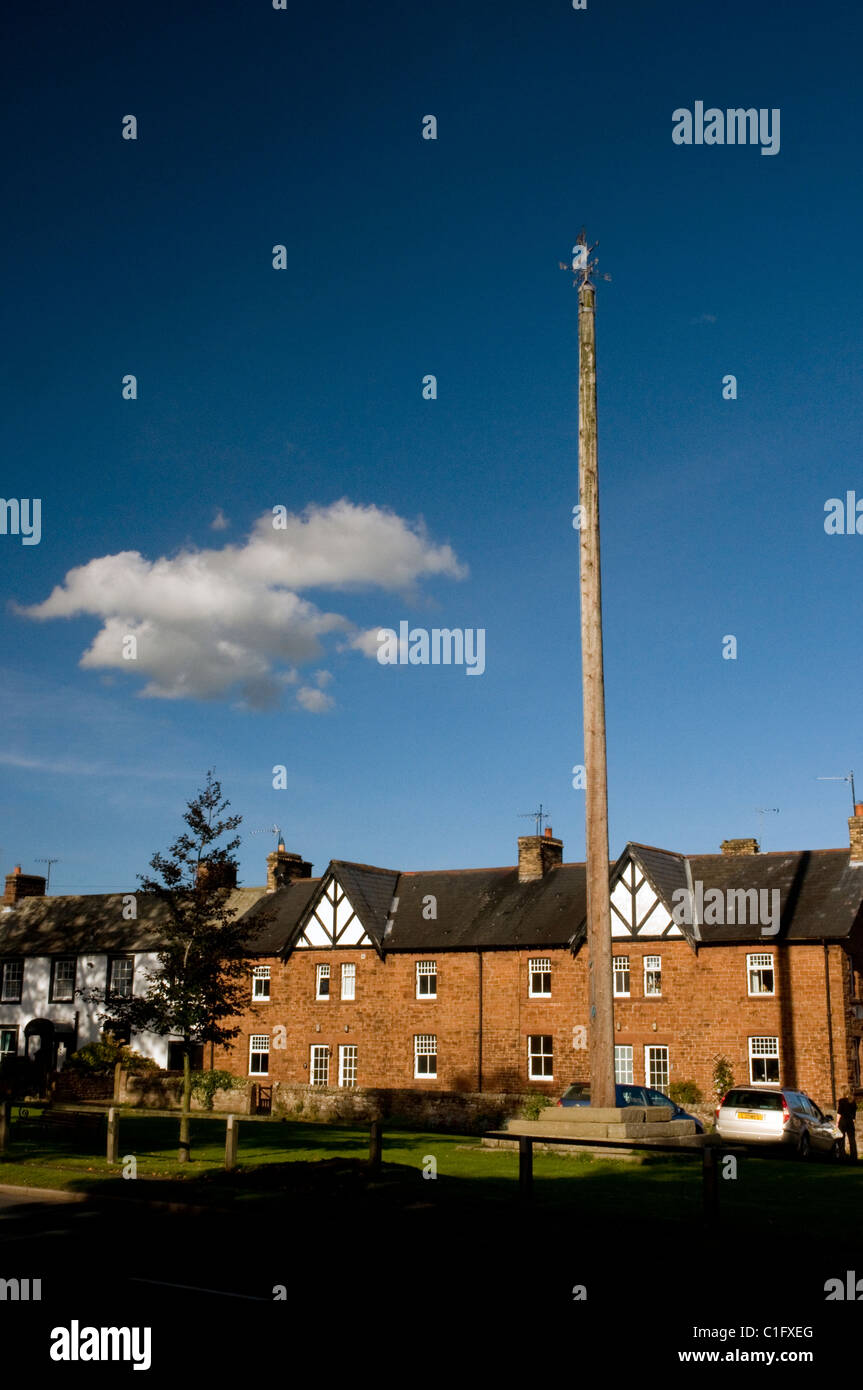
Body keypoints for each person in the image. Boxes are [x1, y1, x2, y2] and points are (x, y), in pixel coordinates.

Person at [837, 1094, 858, 1162]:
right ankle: (854, 1156)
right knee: (852, 1140)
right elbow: (854, 1115)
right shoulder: (853, 1101)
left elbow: (839, 1113)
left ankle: (842, 1156)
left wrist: (837, 1123)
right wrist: (853, 1120)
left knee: (841, 1139)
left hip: (843, 1121)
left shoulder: (841, 1101)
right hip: (850, 1121)